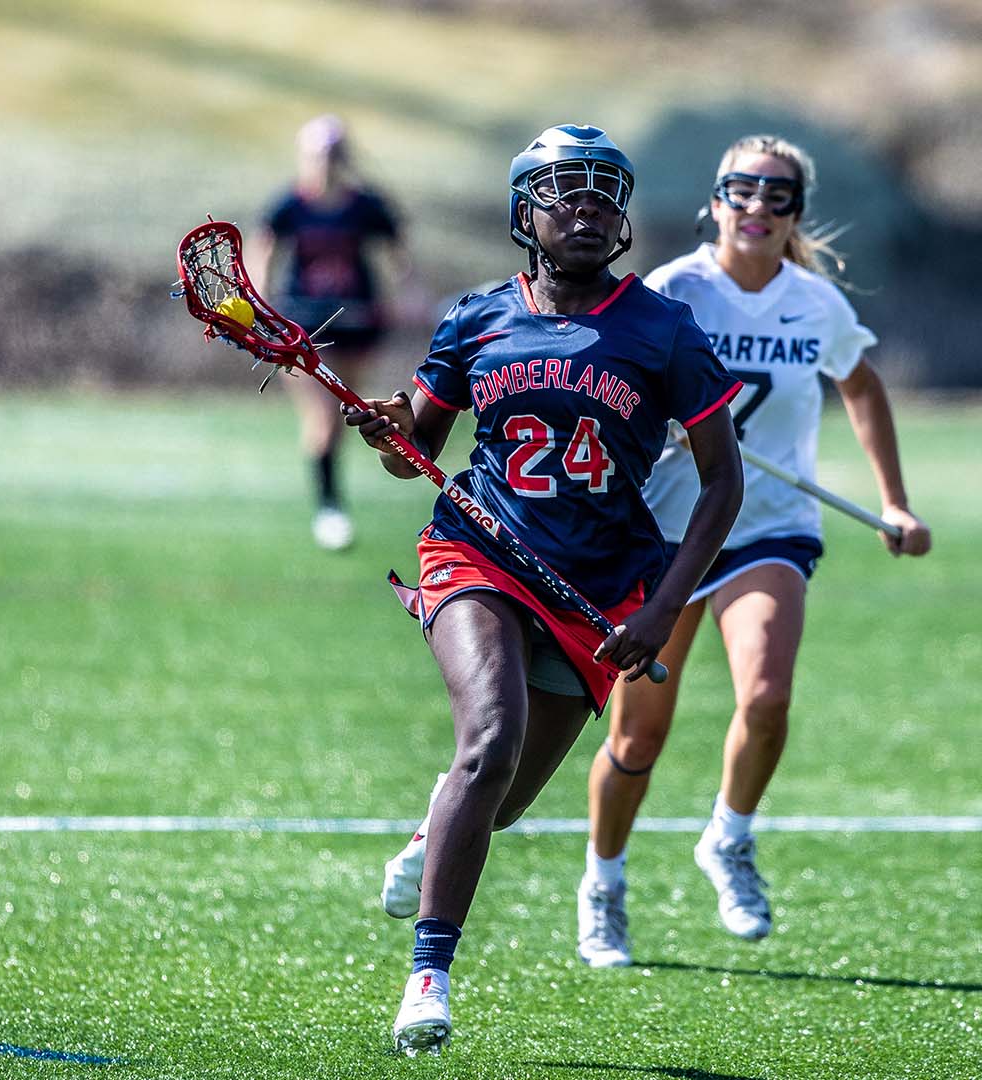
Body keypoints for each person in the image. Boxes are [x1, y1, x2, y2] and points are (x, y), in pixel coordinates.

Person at [343, 124, 743, 1056]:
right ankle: (427, 981)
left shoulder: (663, 330)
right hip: (477, 553)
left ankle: (424, 838)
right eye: (567, 193)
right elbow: (421, 454)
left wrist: (661, 607)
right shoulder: (476, 316)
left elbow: (724, 482)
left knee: (506, 796)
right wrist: (392, 427)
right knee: (490, 742)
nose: (589, 209)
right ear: (527, 212)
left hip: (599, 586)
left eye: (606, 195)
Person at [567, 133, 929, 966]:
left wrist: (895, 500)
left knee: (766, 698)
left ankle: (727, 838)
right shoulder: (672, 290)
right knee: (638, 739)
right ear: (715, 199)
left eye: (779, 196)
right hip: (665, 532)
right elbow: (609, 377)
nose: (758, 207)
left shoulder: (815, 302)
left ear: (797, 212)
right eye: (743, 189)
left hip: (769, 524)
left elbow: (861, 384)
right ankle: (604, 884)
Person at [247, 114, 412, 551]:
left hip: (356, 324)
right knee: (322, 420)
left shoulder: (366, 205)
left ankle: (332, 505)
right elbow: (263, 253)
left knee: (344, 417)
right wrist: (261, 306)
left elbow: (398, 254)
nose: (326, 164)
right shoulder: (290, 205)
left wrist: (404, 295)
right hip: (301, 329)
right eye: (319, 155)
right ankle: (329, 509)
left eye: (334, 155)